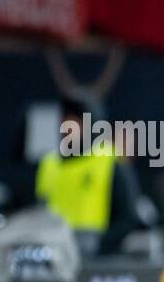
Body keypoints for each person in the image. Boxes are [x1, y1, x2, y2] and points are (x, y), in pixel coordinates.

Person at [35, 97, 143, 255]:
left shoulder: (110, 161)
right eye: (64, 119)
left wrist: (100, 245)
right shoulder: (48, 163)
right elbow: (39, 211)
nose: (67, 126)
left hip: (97, 260)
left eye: (75, 120)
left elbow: (128, 216)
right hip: (55, 256)